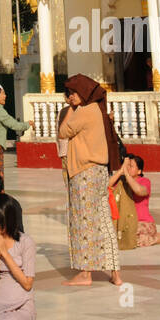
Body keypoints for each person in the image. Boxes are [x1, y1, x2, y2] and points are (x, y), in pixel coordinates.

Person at [60, 74, 122, 286]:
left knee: (82, 222)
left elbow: (63, 131)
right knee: (104, 220)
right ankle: (116, 273)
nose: (70, 97)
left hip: (84, 171)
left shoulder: (84, 111)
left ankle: (85, 274)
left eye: (73, 93)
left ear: (83, 93)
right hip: (99, 171)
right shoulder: (98, 109)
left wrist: (71, 108)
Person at [109, 154, 160, 248]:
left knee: (129, 239)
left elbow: (139, 191)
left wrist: (127, 175)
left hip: (143, 223)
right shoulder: (121, 181)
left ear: (139, 171)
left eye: (131, 166)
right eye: (127, 165)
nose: (127, 168)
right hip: (125, 222)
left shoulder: (144, 181)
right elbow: (107, 186)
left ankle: (156, 238)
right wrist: (121, 171)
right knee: (112, 237)